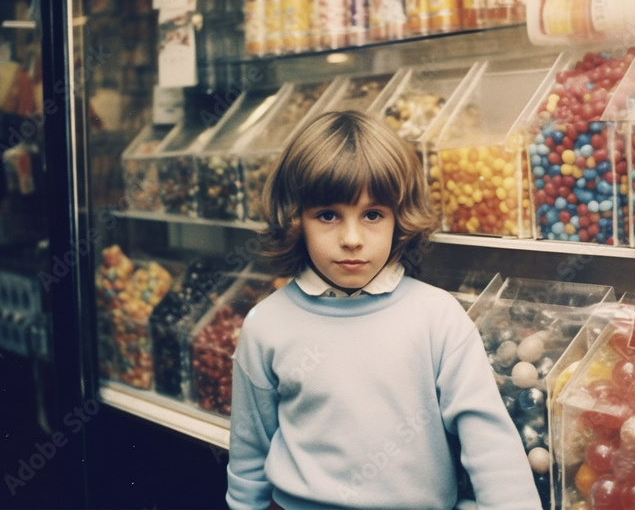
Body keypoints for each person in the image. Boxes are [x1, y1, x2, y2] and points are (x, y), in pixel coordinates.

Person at [226, 110, 541, 509]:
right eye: (328, 215)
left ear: (400, 218)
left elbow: (492, 450)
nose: (352, 239)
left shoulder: (437, 318)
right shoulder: (266, 325)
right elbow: (249, 460)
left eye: (373, 215)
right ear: (295, 220)